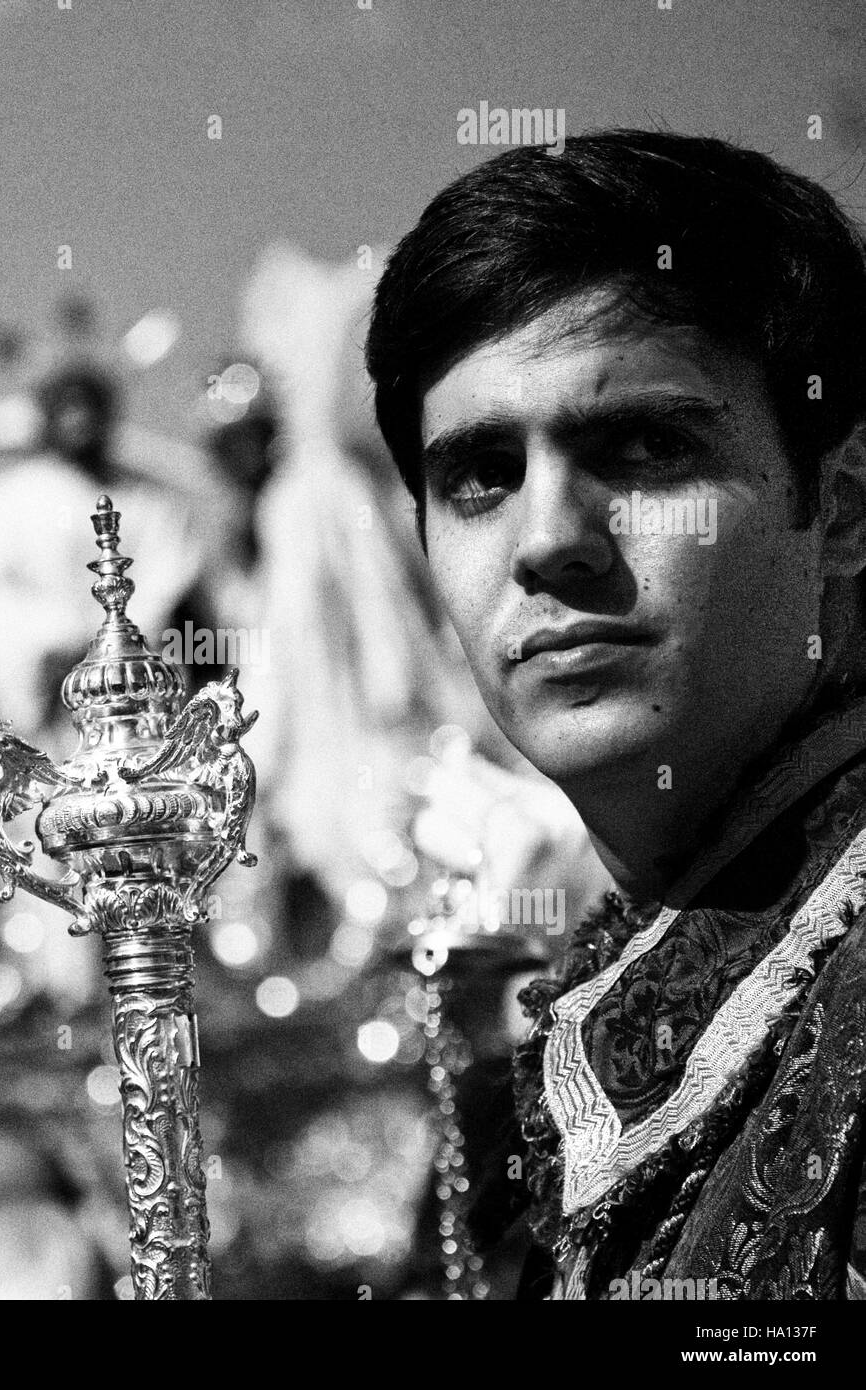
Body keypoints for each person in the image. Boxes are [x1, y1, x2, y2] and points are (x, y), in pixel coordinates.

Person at [365, 129, 866, 1300]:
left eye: (643, 445)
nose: (548, 540)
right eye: (481, 473)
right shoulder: (527, 1104)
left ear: (840, 505)